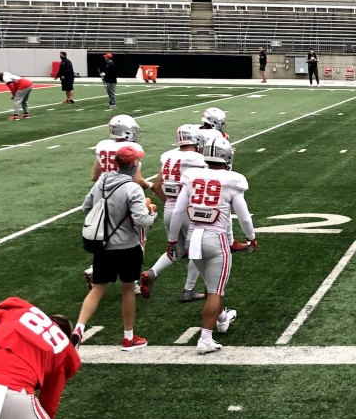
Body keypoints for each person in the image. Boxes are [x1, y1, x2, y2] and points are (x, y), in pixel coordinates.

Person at [167, 131, 255, 354]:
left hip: (193, 239)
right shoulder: (232, 180)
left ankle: (222, 317)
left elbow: (178, 211)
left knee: (210, 283)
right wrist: (251, 237)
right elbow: (243, 216)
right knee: (216, 290)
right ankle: (205, 338)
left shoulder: (192, 176)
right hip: (215, 239)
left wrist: (172, 239)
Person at [74, 142, 156, 351]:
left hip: (103, 245)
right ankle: (128, 337)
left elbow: (86, 207)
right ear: (135, 164)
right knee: (128, 289)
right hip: (127, 245)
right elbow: (142, 220)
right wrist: (152, 213)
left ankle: (79, 329)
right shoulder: (133, 188)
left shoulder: (102, 181)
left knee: (98, 287)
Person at [143, 124, 209, 302]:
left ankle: (152, 272)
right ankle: (189, 290)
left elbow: (156, 186)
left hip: (170, 210)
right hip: (187, 210)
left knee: (177, 250)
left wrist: (170, 203)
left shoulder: (168, 157)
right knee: (197, 250)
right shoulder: (197, 159)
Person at [91, 113, 141, 181]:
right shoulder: (132, 147)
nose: (134, 132)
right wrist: (150, 185)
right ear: (125, 131)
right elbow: (137, 180)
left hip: (103, 185)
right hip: (124, 185)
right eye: (132, 129)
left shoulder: (103, 145)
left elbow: (95, 177)